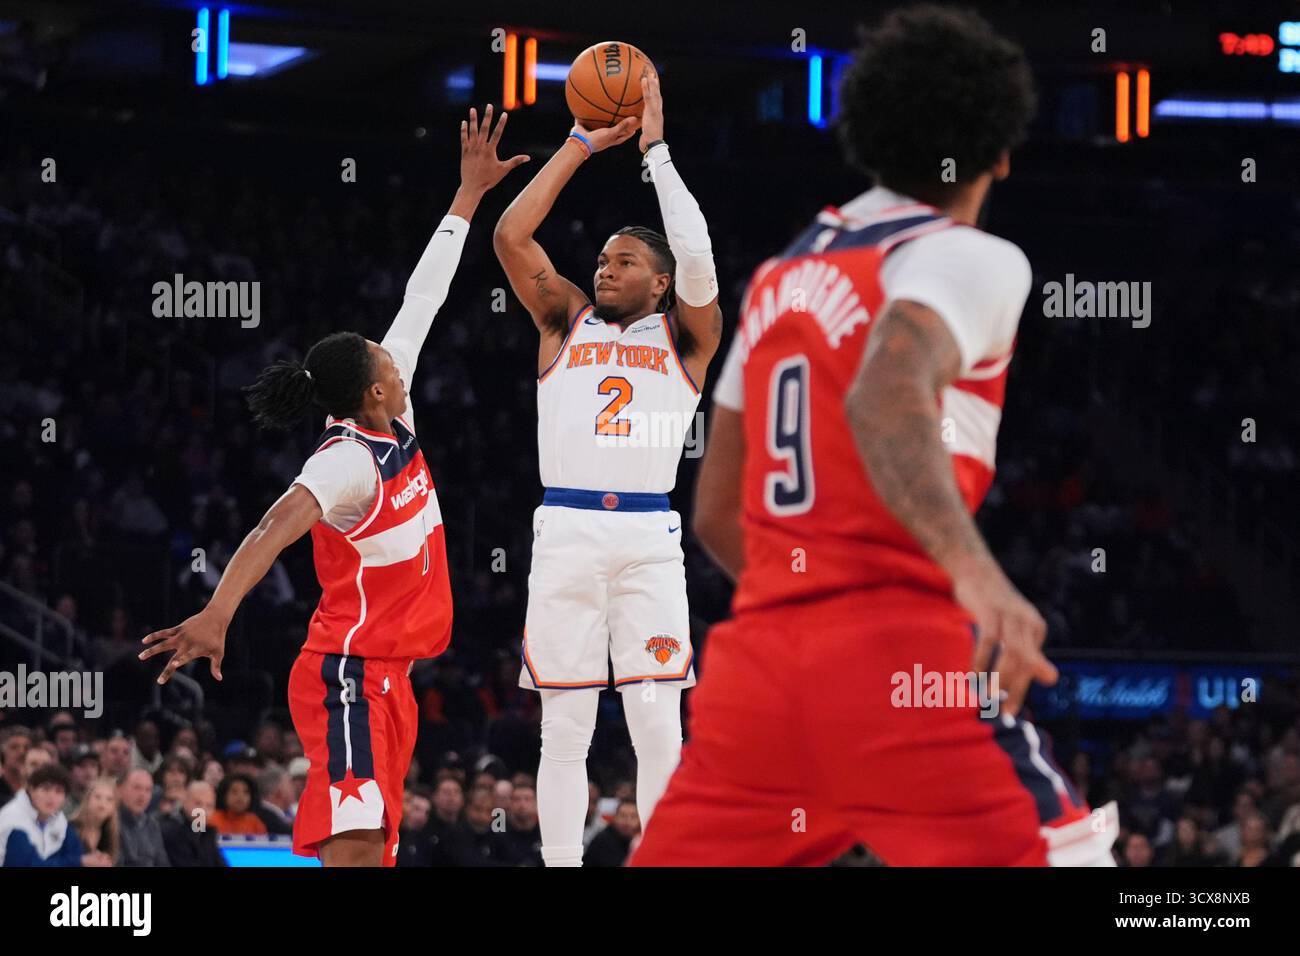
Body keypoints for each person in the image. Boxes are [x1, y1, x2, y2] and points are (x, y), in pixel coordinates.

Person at [633, 4, 1116, 867]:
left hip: (761, 674)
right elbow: (888, 388)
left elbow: (713, 512)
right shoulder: (968, 256)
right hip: (905, 660)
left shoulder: (782, 276)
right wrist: (976, 576)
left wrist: (810, 618)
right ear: (1000, 152)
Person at [139, 105, 528, 867]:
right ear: (373, 393)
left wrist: (467, 198)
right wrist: (219, 611)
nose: (392, 352)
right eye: (382, 358)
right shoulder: (345, 461)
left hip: (392, 682)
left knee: (372, 855)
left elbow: (425, 297)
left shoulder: (394, 406)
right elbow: (270, 527)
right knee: (351, 857)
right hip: (346, 678)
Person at [493, 69, 723, 868]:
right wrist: (580, 143)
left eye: (624, 262)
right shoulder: (562, 318)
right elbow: (511, 239)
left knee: (658, 718)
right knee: (566, 724)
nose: (604, 268)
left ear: (660, 284)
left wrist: (657, 154)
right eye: (601, 259)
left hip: (648, 534)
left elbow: (698, 258)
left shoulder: (688, 334)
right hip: (566, 526)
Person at [0, 763, 87, 866]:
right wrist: (79, 861)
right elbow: (32, 865)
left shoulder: (59, 819)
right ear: (31, 789)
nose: (51, 797)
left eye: (58, 791)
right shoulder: (12, 819)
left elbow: (77, 854)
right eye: (46, 789)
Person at [159, 781, 226, 867]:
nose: (203, 811)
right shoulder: (170, 831)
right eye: (198, 803)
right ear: (185, 801)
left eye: (209, 806)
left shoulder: (207, 834)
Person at [118, 767, 170, 866]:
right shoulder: (112, 823)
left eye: (148, 790)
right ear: (120, 790)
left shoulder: (152, 825)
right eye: (137, 788)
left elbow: (162, 863)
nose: (142, 795)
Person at [70, 777, 120, 866]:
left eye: (109, 799)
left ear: (114, 808)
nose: (102, 802)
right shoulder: (71, 828)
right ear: (87, 800)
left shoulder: (109, 834)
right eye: (97, 797)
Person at [583, 799, 639, 867]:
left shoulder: (638, 840)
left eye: (633, 817)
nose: (627, 822)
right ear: (615, 818)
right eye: (623, 816)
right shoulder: (602, 842)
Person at [0, 726, 33, 808]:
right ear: (3, 752)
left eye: (26, 748)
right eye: (14, 747)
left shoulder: (39, 789)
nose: (22, 752)